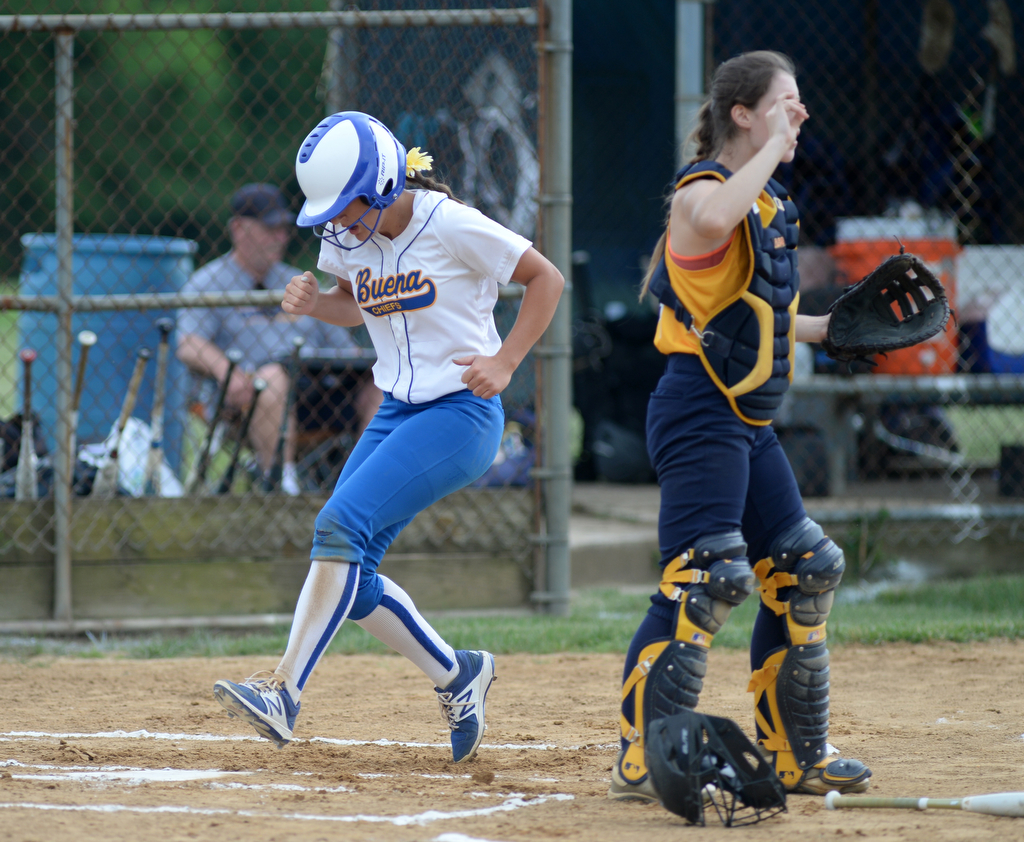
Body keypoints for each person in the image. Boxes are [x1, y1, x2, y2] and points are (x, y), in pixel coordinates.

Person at [211, 112, 564, 763]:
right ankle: (459, 675)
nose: (339, 225)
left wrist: (509, 360)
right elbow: (357, 303)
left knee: (337, 527)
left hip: (461, 413)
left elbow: (547, 279)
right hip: (398, 409)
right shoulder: (348, 237)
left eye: (349, 208)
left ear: (383, 185)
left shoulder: (450, 223)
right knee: (353, 572)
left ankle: (284, 692)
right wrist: (316, 302)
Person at [611, 51, 872, 802]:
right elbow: (713, 219)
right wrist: (764, 154)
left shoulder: (759, 202)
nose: (800, 116)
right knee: (707, 577)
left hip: (744, 418)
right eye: (785, 104)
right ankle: (642, 753)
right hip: (697, 411)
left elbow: (752, 315)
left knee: (804, 569)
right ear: (741, 115)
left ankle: (798, 754)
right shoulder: (701, 195)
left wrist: (832, 330)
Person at [175, 182, 383, 495]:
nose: (281, 237)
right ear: (239, 229)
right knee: (272, 378)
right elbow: (188, 343)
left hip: (316, 391)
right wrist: (226, 373)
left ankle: (368, 482)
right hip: (250, 398)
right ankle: (280, 484)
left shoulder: (297, 280)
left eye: (285, 229)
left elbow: (344, 349)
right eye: (271, 228)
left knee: (379, 382)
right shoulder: (208, 282)